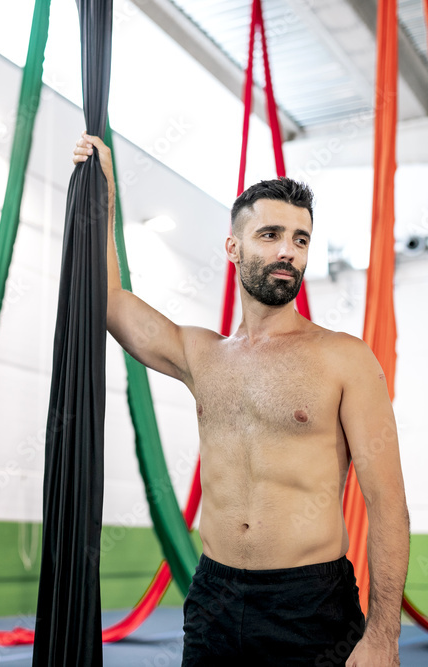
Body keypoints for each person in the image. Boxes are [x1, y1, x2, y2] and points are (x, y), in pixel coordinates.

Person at [73, 132, 410, 666]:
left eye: (300, 239)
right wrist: (104, 197)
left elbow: (388, 504)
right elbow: (110, 301)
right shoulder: (201, 353)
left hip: (311, 605)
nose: (287, 251)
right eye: (271, 234)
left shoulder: (345, 359)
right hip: (214, 599)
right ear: (233, 247)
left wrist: (383, 636)